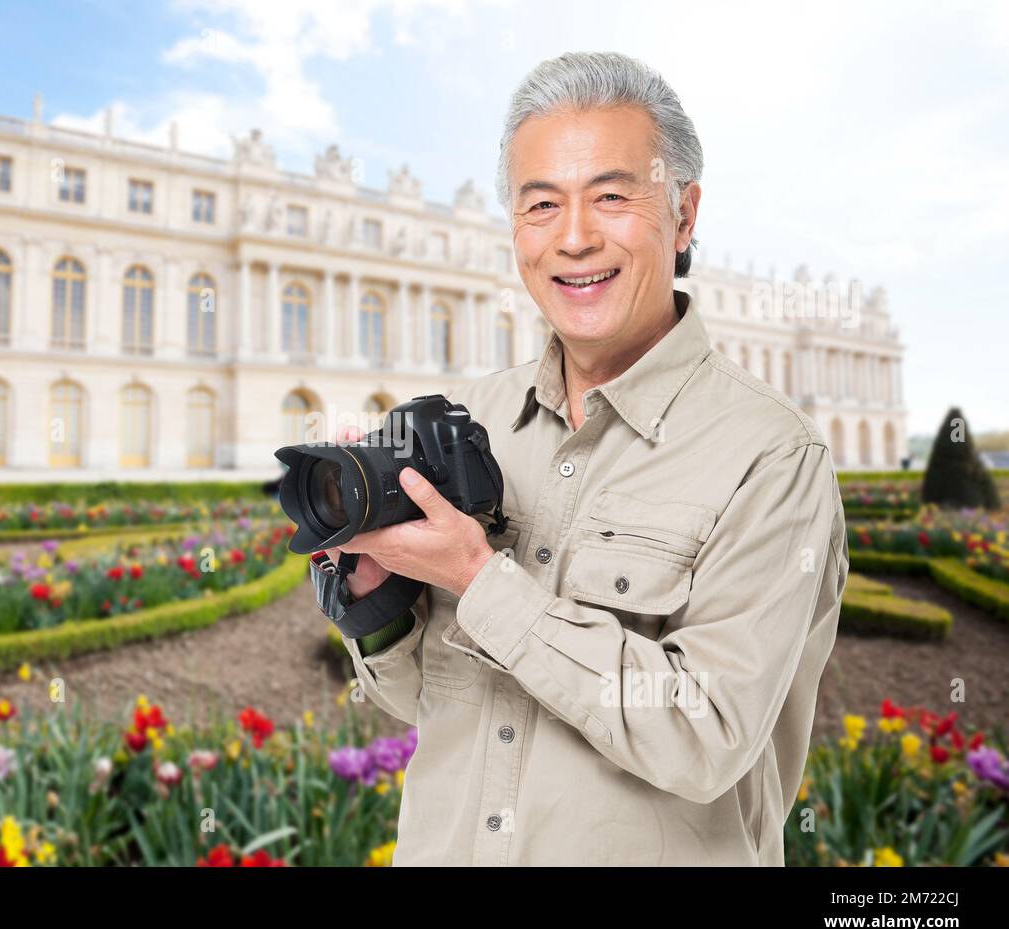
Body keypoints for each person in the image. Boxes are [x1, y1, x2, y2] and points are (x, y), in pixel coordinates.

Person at [324, 51, 848, 866]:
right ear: (514, 229)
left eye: (611, 195)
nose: (573, 238)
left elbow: (704, 737)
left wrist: (480, 580)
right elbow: (417, 700)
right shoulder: (471, 419)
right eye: (541, 204)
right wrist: (376, 598)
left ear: (683, 216)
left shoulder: (774, 456)